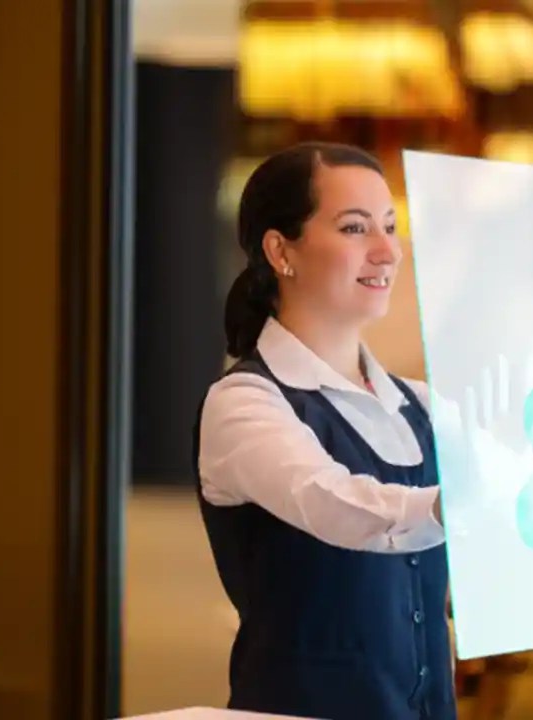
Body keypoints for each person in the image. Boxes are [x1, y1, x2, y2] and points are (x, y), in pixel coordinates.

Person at [193, 141, 454, 720]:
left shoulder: (422, 404)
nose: (388, 251)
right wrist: (458, 504)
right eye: (356, 228)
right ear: (281, 250)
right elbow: (331, 502)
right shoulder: (245, 402)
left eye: (391, 226)